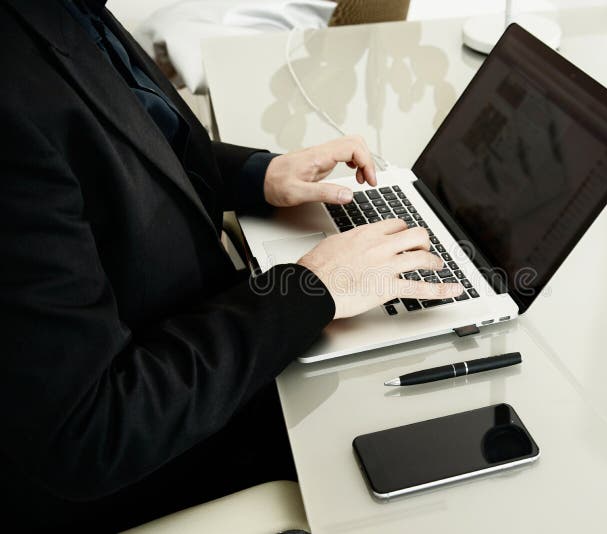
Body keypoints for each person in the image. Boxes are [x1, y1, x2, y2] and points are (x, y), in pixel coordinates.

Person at [0, 0, 463, 530]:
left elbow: (116, 148)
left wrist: (258, 175)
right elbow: (88, 433)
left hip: (189, 334)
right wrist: (311, 289)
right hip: (142, 454)